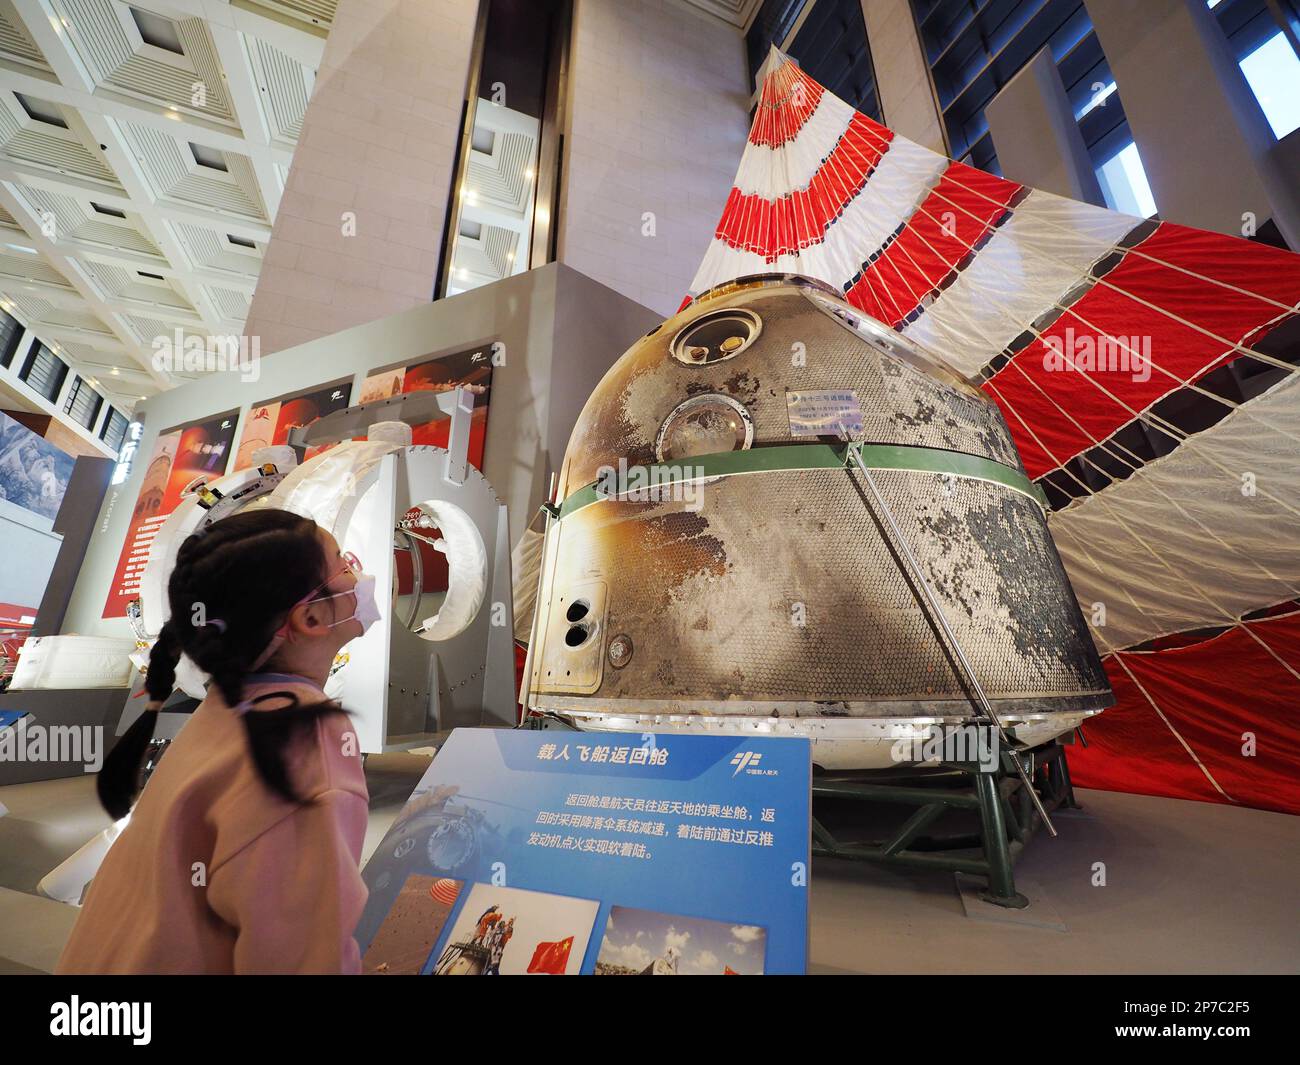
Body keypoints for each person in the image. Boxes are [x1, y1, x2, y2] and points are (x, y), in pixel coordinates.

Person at [57, 508, 380, 974]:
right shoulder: (308, 739)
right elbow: (301, 958)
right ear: (309, 617)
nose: (359, 574)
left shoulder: (222, 712)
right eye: (343, 564)